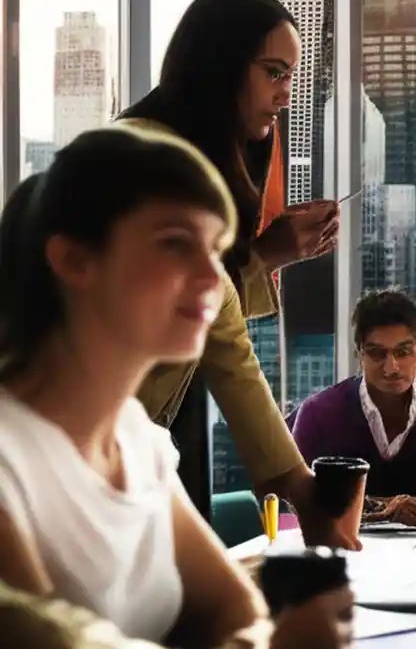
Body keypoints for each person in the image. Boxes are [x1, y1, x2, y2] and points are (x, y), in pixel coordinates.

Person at [0, 127, 351, 647]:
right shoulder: (10, 458)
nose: (214, 278)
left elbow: (235, 607)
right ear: (74, 260)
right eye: (175, 244)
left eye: (215, 248)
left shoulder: (139, 440)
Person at [118, 0, 347, 547]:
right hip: (74, 453)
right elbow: (211, 328)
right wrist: (299, 483)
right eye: (274, 72)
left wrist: (299, 485)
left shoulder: (187, 160)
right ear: (221, 67)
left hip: (133, 442)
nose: (286, 95)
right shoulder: (147, 165)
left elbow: (212, 316)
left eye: (291, 76)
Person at [290, 289, 416, 525]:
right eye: (377, 354)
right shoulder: (318, 414)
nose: (391, 367)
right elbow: (303, 497)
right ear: (359, 354)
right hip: (341, 553)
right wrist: (387, 508)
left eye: (403, 352)